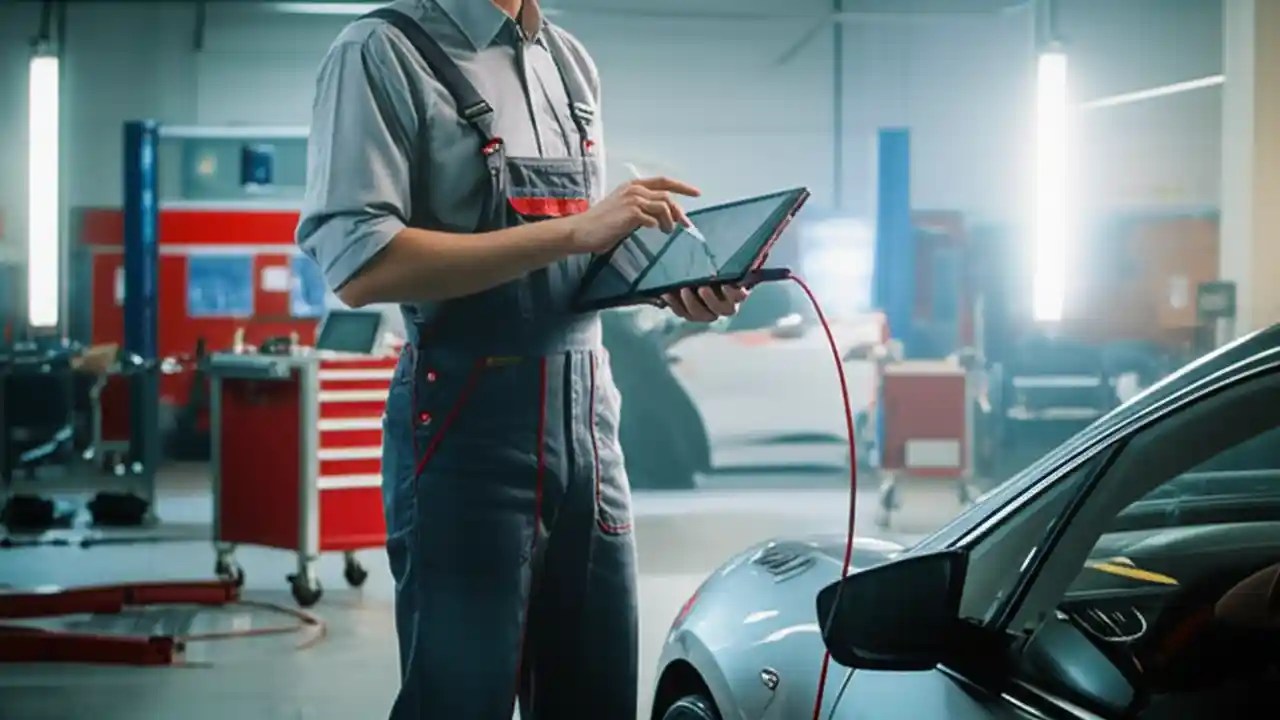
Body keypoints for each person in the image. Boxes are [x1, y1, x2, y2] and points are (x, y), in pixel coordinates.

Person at [295, 1, 746, 718]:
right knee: (460, 697)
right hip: (465, 422)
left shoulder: (567, 59)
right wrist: (573, 234)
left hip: (589, 421)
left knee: (593, 692)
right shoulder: (382, 52)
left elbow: (577, 253)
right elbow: (361, 264)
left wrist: (664, 281)